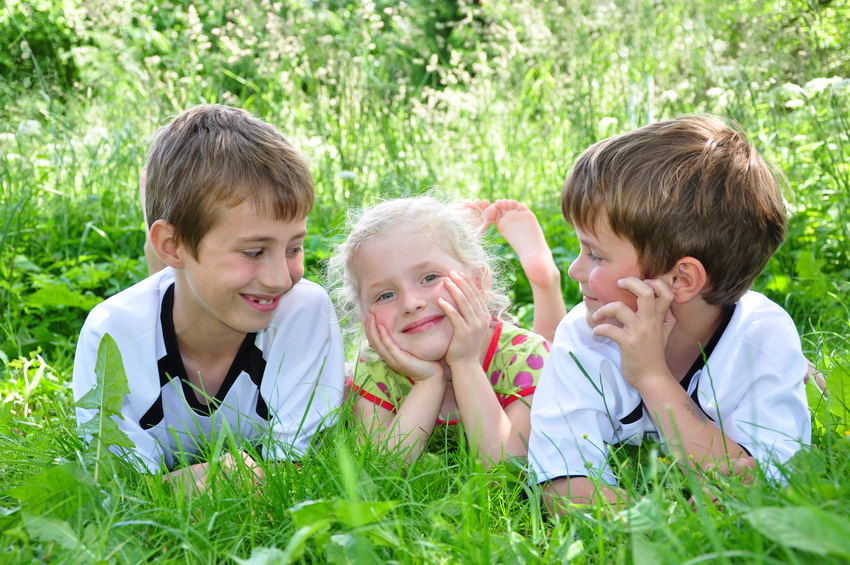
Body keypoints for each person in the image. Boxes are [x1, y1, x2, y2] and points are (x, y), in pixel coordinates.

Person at [528, 115, 811, 512]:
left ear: (679, 280)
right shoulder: (586, 333)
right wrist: (659, 525)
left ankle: (805, 376)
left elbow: (760, 483)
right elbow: (560, 483)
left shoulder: (762, 338)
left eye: (595, 254)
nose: (574, 270)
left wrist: (652, 378)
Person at [73, 105, 345, 489]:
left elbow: (299, 472)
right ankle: (166, 255)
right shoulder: (111, 335)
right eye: (253, 252)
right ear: (172, 244)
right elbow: (123, 489)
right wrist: (185, 484)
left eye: (294, 248)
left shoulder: (305, 311)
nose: (282, 279)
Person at [327, 196, 566, 464]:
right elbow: (380, 473)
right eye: (386, 295)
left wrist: (464, 363)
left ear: (478, 281)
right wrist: (428, 382)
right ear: (363, 316)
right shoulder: (374, 370)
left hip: (520, 355)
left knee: (562, 359)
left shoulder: (523, 359)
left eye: (430, 277)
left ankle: (544, 280)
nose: (411, 303)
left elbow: (507, 471)